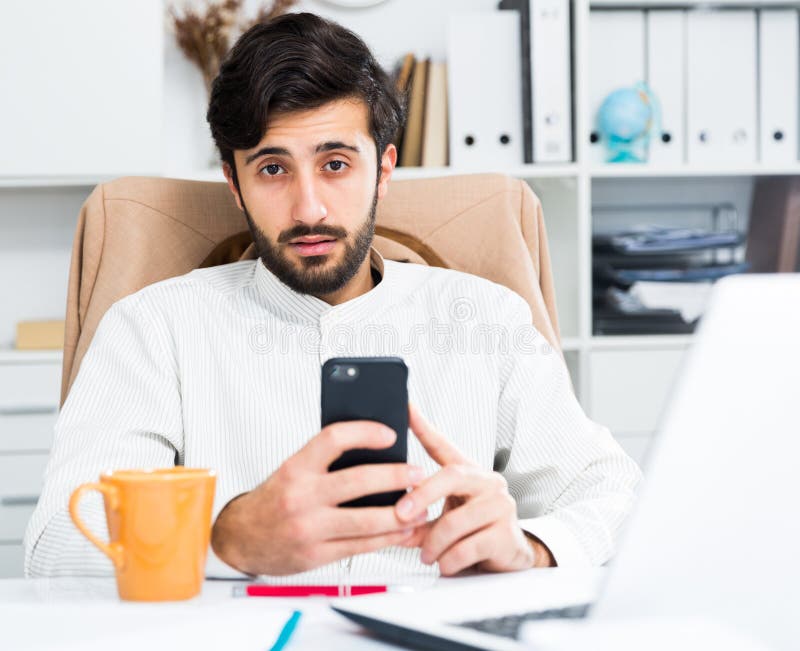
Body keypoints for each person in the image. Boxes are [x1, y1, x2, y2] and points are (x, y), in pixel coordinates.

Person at [25, 13, 641, 581]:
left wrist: (530, 547)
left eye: (336, 164)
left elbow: (619, 499)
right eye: (272, 169)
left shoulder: (488, 319)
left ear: (384, 169)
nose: (309, 209)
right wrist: (223, 541)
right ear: (234, 184)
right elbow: (55, 543)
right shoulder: (152, 327)